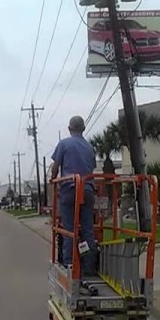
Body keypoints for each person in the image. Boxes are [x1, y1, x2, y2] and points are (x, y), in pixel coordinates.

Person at [50, 116, 98, 275]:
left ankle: (69, 263)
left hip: (70, 189)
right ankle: (88, 264)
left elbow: (55, 167)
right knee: (87, 229)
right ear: (83, 129)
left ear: (69, 128)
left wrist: (53, 179)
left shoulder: (63, 144)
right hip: (88, 189)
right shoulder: (90, 147)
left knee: (69, 229)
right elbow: (91, 168)